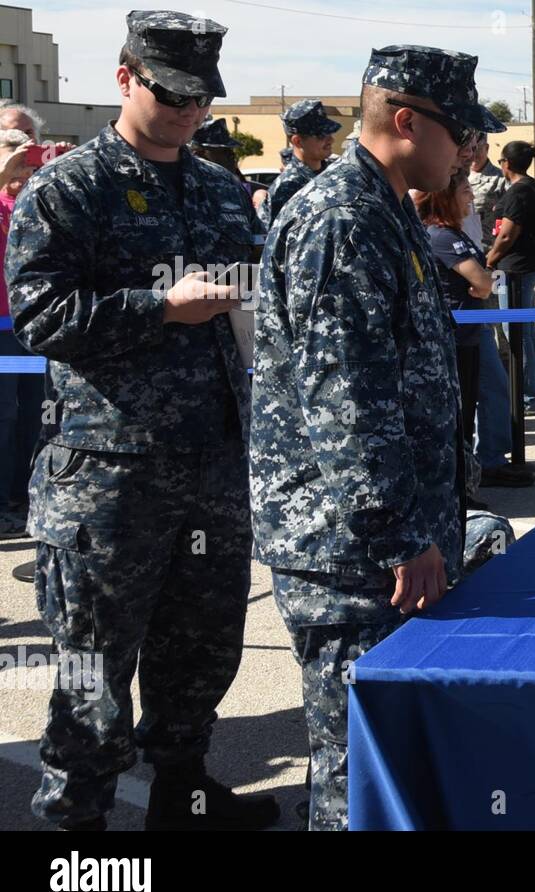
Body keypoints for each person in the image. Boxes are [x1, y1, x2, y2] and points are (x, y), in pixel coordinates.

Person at [5, 10, 277, 832]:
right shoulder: (68, 188)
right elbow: (40, 312)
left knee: (199, 653)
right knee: (92, 668)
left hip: (213, 463)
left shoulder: (222, 190)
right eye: (173, 93)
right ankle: (77, 828)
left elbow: (255, 300)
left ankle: (184, 798)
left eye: (203, 97)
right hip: (108, 473)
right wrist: (160, 306)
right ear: (125, 76)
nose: (191, 110)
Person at [251, 44, 505, 831]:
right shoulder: (343, 216)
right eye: (459, 132)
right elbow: (347, 400)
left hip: (382, 543)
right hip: (351, 552)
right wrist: (399, 536)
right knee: (356, 768)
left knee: (388, 751)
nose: (468, 150)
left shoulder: (384, 206)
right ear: (405, 122)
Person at [418, 174, 531, 490]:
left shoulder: (455, 234)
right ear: (445, 196)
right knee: (464, 410)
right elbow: (483, 282)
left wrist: (484, 282)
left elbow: (486, 279)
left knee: (486, 395)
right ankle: (470, 479)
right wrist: (483, 282)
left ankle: (481, 468)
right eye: (465, 191)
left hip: (471, 330)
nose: (471, 198)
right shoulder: (442, 236)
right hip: (458, 335)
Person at [485, 139, 535, 415]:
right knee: (526, 331)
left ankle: (525, 395)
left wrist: (490, 259)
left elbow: (507, 234)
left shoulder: (519, 192)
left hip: (514, 270)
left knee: (517, 333)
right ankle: (531, 390)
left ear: (506, 164)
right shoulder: (531, 186)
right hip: (524, 267)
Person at [0, 127, 38, 540]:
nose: (21, 156)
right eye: (11, 146)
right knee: (3, 417)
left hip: (25, 328)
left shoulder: (27, 201)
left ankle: (19, 497)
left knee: (33, 414)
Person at [257, 98, 341, 227]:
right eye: (321, 135)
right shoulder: (287, 187)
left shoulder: (335, 174)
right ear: (298, 141)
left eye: (329, 133)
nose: (331, 140)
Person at [468, 133, 508, 250]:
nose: (473, 155)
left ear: (486, 148)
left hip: (487, 246)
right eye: (470, 149)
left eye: (477, 149)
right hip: (462, 243)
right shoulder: (457, 175)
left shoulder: (500, 178)